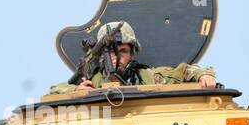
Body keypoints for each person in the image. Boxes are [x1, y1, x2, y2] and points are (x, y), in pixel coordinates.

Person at [49, 21, 218, 93]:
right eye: (111, 51)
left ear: (131, 54)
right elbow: (55, 90)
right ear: (100, 56)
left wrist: (203, 75)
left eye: (122, 51)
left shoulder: (148, 77)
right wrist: (76, 91)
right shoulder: (91, 81)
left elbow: (185, 70)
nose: (117, 57)